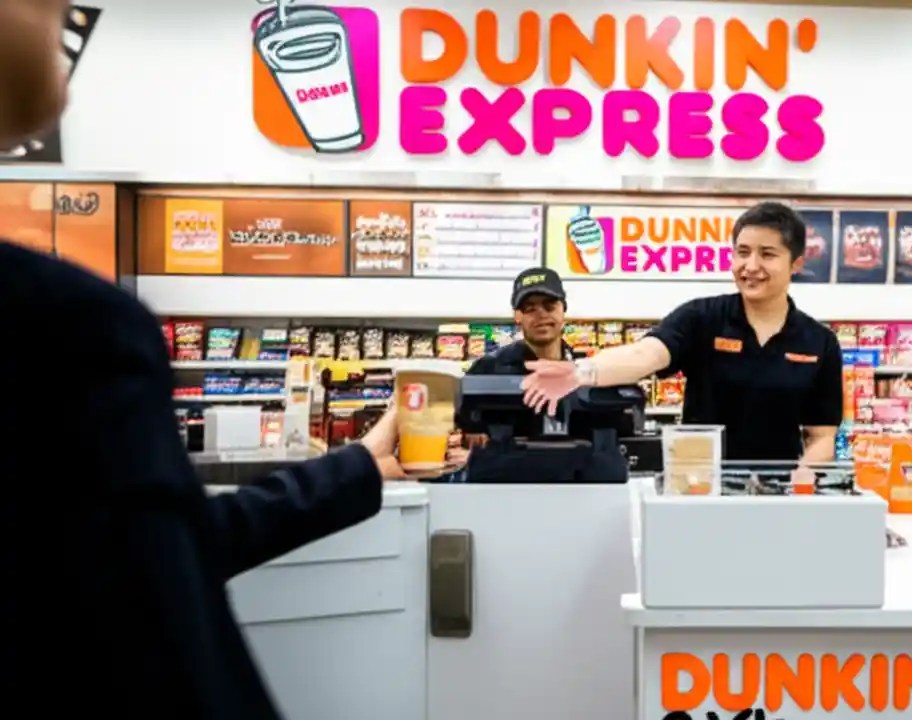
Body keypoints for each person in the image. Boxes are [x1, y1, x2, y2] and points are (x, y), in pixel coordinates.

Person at [1, 2, 405, 717]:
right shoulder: (69, 327)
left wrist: (358, 467)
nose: (64, 12)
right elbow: (157, 614)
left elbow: (154, 558)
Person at [522, 201, 843, 463]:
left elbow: (821, 436)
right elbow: (645, 354)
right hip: (697, 485)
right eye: (742, 252)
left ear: (796, 263)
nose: (751, 265)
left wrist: (805, 478)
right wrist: (582, 372)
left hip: (778, 495)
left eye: (767, 254)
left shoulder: (819, 342)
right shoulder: (702, 318)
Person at [446, 267, 576, 469]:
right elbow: (459, 427)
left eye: (549, 305)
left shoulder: (586, 371)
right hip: (501, 489)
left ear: (563, 310)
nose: (541, 314)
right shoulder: (486, 370)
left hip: (576, 487)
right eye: (530, 308)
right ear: (517, 316)